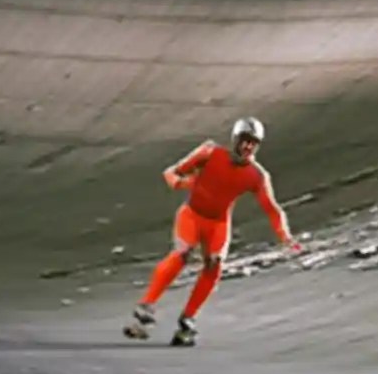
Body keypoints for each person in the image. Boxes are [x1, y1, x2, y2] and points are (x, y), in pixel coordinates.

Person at [124, 116, 302, 346]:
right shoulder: (210, 153)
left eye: (253, 143)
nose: (247, 147)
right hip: (191, 215)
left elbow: (273, 210)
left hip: (218, 223)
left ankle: (188, 318)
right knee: (182, 253)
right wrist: (184, 183)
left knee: (214, 265)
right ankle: (147, 304)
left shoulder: (257, 176)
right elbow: (172, 173)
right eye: (244, 141)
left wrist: (285, 237)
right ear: (235, 140)